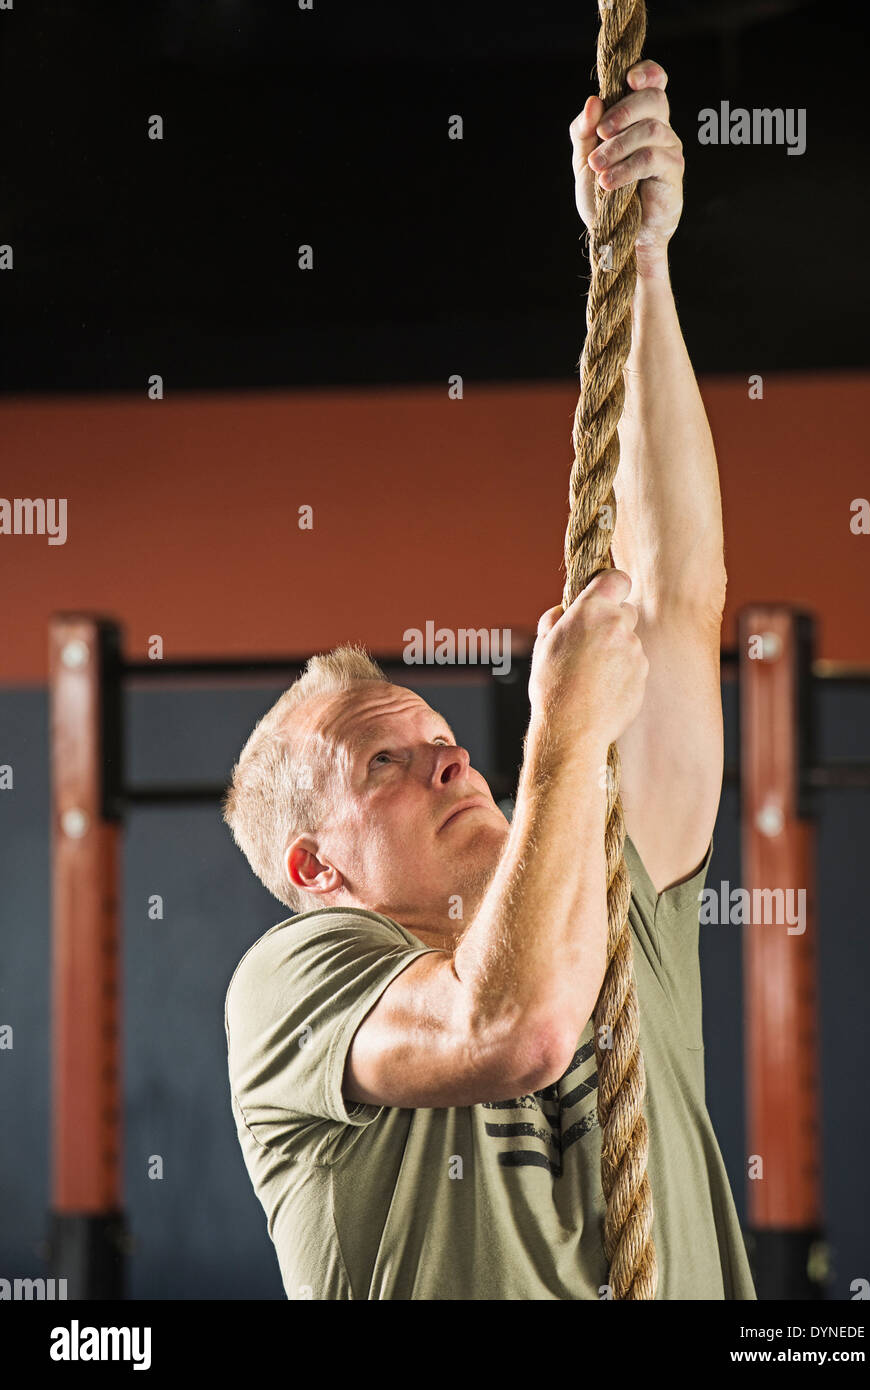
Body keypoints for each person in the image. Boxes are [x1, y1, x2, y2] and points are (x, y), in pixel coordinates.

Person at [222, 58, 757, 1301]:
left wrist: (642, 257)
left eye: (441, 736)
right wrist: (560, 730)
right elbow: (507, 1030)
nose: (454, 757)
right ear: (317, 870)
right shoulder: (295, 987)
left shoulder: (603, 891)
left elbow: (676, 598)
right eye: (386, 765)